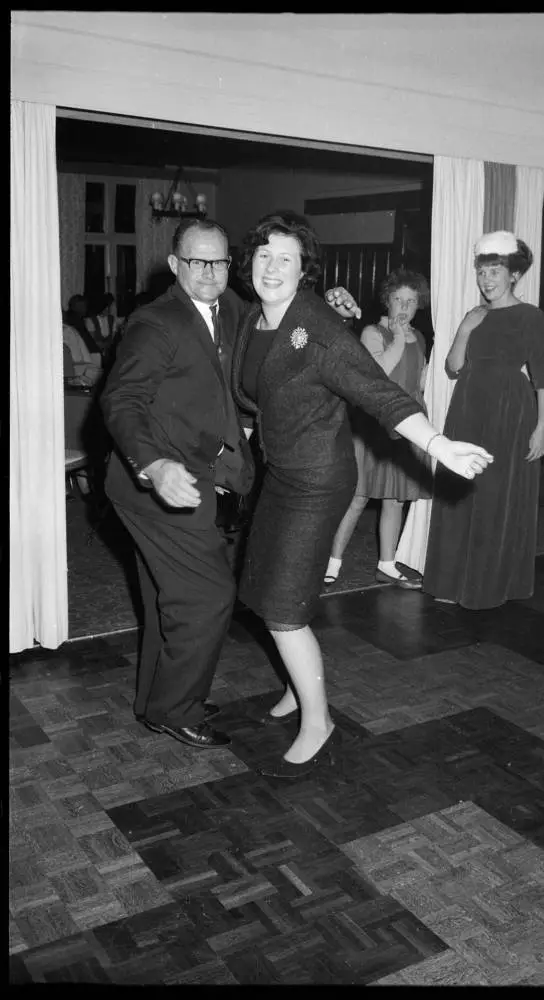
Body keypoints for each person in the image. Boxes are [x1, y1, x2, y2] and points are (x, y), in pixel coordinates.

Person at [230, 210, 494, 778]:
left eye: (286, 259)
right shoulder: (255, 319)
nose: (271, 267)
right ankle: (297, 692)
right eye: (263, 255)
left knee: (282, 609)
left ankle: (318, 722)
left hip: (318, 480)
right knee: (260, 588)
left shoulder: (317, 327)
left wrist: (438, 444)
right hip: (280, 471)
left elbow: (380, 394)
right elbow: (255, 396)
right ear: (249, 261)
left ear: (305, 272)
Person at [99, 217, 362, 751]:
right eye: (197, 261)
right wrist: (154, 465)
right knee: (210, 594)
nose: (210, 271)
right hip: (160, 483)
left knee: (165, 596)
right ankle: (176, 708)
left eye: (219, 261)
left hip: (202, 475)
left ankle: (158, 700)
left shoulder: (234, 311)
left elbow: (286, 332)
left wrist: (330, 307)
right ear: (174, 265)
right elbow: (121, 401)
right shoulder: (156, 323)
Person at [422, 230, 544, 610]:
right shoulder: (474, 315)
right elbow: (452, 367)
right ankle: (450, 581)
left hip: (511, 411)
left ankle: (488, 584)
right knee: (458, 487)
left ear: (513, 274)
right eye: (482, 273)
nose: (487, 280)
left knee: (496, 493)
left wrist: (542, 426)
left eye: (494, 272)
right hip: (467, 406)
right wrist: (465, 329)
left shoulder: (531, 316)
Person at [324, 269, 432, 589]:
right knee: (358, 496)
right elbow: (377, 375)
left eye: (410, 302)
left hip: (407, 423)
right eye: (397, 300)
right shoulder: (373, 332)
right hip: (375, 423)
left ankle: (387, 564)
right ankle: (331, 562)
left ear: (418, 306)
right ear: (387, 301)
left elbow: (419, 380)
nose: (403, 307)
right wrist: (398, 337)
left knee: (395, 499)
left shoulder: (421, 337)